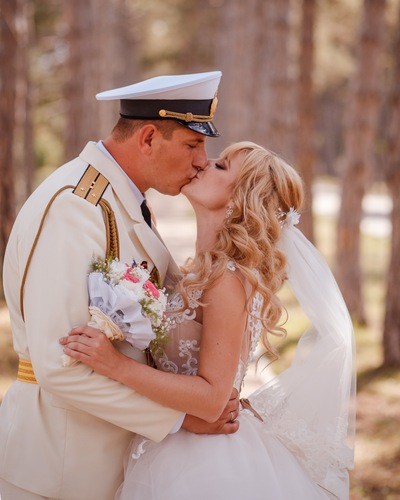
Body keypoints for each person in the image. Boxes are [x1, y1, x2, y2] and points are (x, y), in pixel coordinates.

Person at [61, 141, 356, 500]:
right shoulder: (197, 271)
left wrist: (116, 366)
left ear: (238, 200)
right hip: (172, 443)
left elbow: (214, 399)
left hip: (203, 465)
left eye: (222, 166)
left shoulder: (225, 280)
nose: (204, 162)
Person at [0, 71, 241, 500]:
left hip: (108, 465)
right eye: (192, 144)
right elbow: (59, 365)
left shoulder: (121, 200)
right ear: (148, 138)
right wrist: (181, 419)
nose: (202, 161)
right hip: (58, 469)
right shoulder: (75, 207)